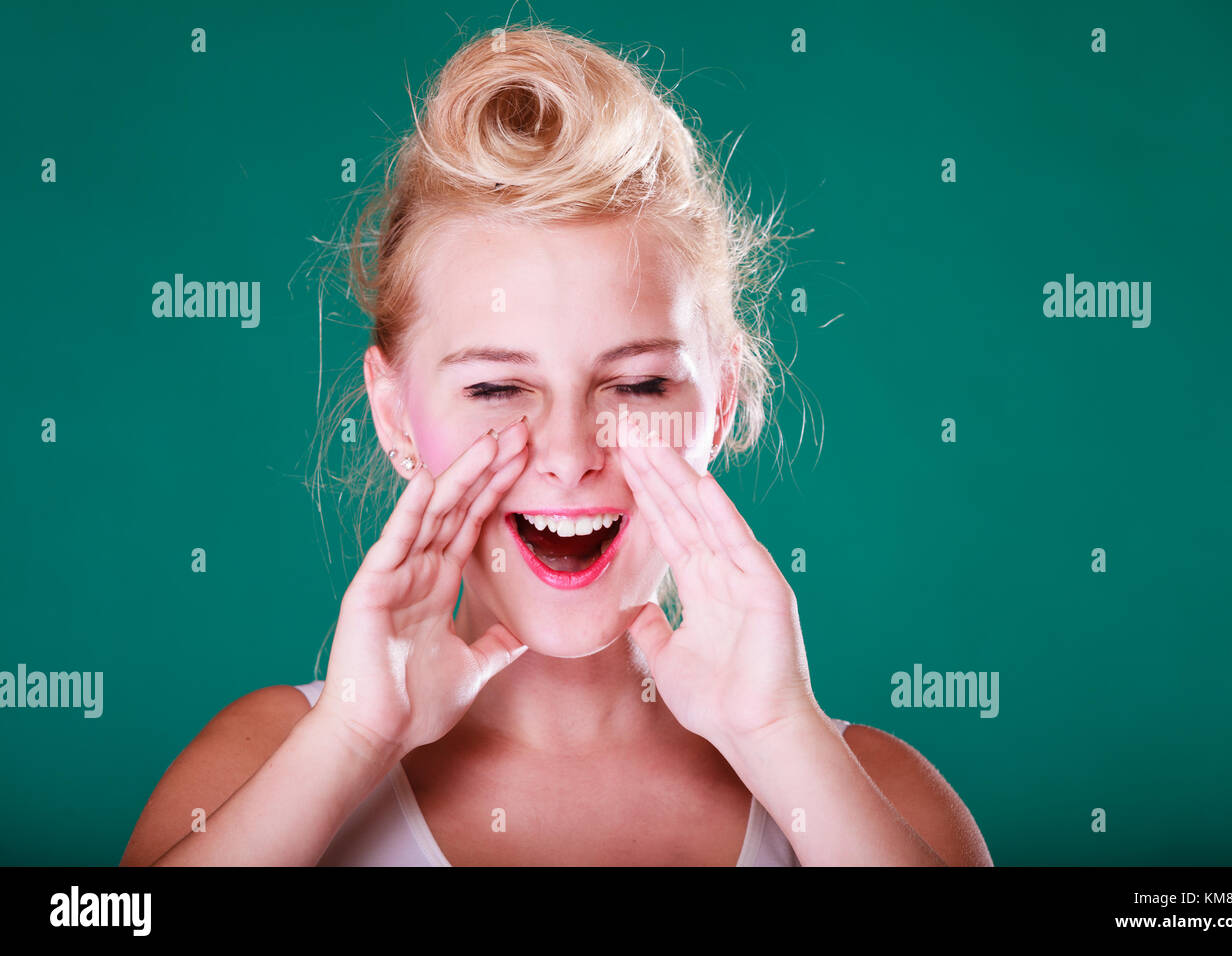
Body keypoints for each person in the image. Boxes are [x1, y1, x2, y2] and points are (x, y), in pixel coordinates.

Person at [120, 23, 992, 867]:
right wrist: (350, 739)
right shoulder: (254, 771)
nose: (570, 455)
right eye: (498, 389)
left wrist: (778, 738)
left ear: (719, 404)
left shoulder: (884, 805)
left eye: (639, 383)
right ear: (393, 417)